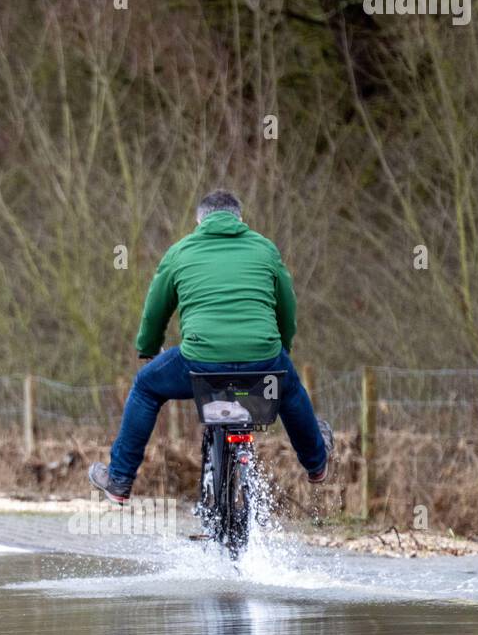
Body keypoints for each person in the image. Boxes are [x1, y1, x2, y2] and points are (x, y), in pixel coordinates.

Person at [88, 190, 333, 504]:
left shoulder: (180, 252)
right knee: (288, 387)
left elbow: (155, 310)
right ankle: (316, 465)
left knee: (146, 386)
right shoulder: (264, 249)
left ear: (199, 221)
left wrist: (148, 347)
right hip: (263, 357)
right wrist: (281, 348)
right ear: (239, 219)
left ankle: (120, 480)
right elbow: (287, 306)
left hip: (199, 361)